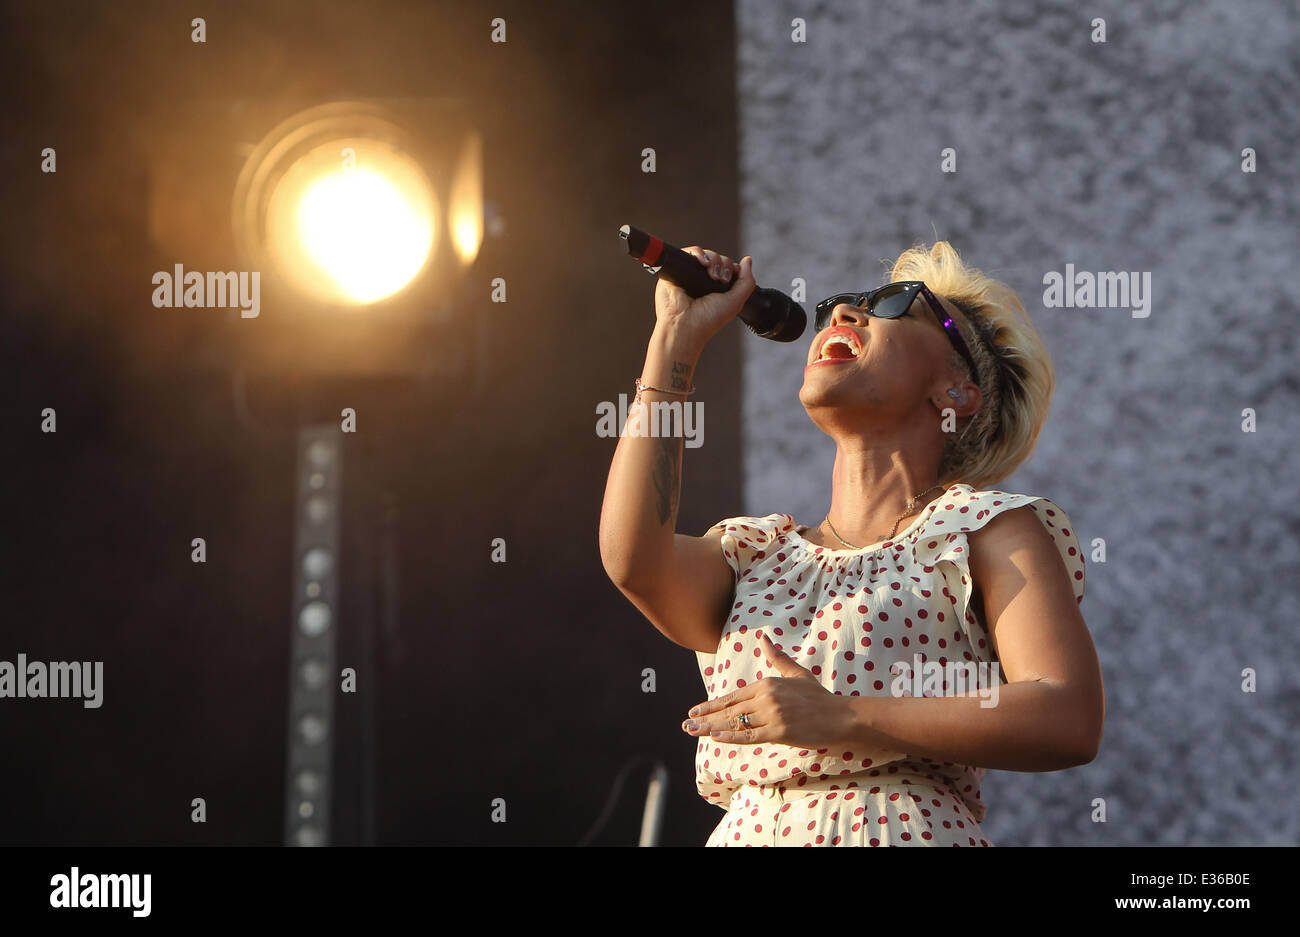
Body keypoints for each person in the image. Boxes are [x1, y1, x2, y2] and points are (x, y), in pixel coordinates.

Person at [599, 240, 1104, 846]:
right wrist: (674, 340)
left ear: (957, 390)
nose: (842, 314)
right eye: (838, 306)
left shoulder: (984, 529)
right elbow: (633, 559)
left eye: (895, 304)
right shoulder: (757, 555)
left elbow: (1067, 716)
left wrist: (844, 716)